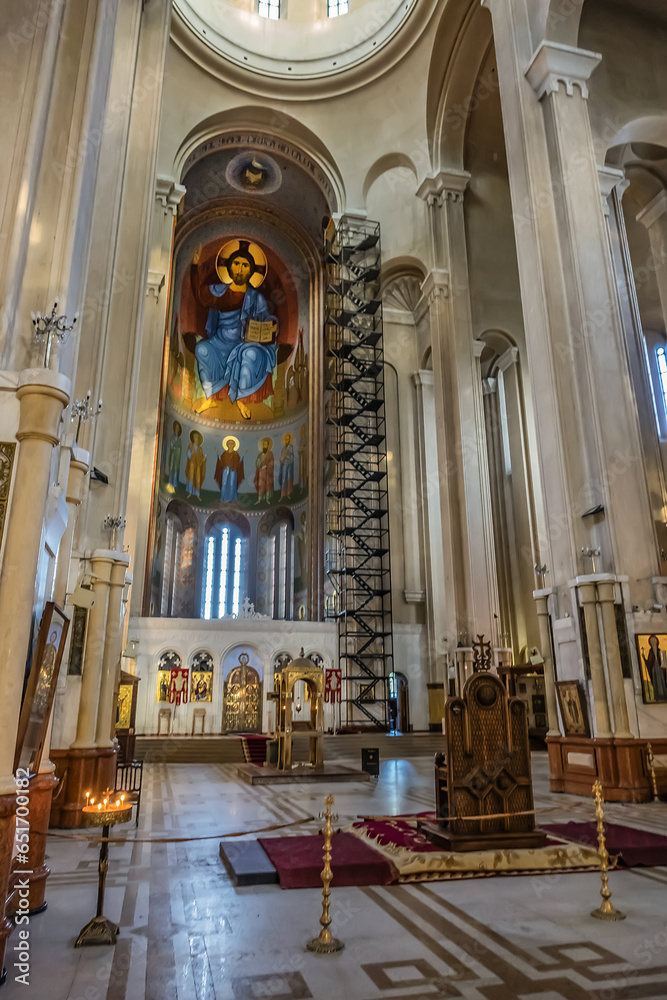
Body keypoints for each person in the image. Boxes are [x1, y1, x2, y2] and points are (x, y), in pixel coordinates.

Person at [191, 240, 278, 419]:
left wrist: (270, 325)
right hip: (220, 341)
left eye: (245, 265)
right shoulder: (218, 291)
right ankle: (210, 396)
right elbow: (200, 297)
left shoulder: (256, 297)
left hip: (245, 342)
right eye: (236, 264)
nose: (240, 269)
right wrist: (193, 266)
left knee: (250, 355)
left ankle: (241, 399)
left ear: (251, 270)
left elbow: (266, 319)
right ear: (229, 267)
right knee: (202, 349)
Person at [214, 436, 244, 502]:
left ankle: (231, 498)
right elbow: (221, 461)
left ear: (234, 445)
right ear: (227, 445)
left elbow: (238, 463)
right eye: (229, 443)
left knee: (232, 483)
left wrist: (241, 458)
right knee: (224, 483)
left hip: (233, 470)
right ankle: (223, 497)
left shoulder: (236, 454)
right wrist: (218, 455)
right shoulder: (225, 453)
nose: (230, 445)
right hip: (225, 470)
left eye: (232, 443)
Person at [643, 634, 667, 702]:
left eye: (654, 640)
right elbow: (649, 662)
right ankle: (658, 696)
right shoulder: (650, 651)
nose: (653, 641)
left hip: (660, 669)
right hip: (654, 669)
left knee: (662, 682)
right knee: (656, 682)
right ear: (650, 643)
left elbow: (663, 661)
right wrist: (645, 660)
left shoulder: (659, 650)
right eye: (652, 640)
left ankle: (664, 695)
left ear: (657, 641)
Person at [185, 430, 206, 499]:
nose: (196, 438)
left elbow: (201, 457)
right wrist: (191, 453)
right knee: (191, 478)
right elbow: (189, 455)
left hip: (198, 466)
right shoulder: (190, 446)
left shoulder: (200, 448)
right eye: (194, 437)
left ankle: (197, 494)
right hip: (192, 465)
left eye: (197, 437)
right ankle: (190, 492)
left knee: (197, 479)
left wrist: (204, 458)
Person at [254, 438, 274, 505]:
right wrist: (258, 464)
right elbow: (257, 462)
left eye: (266, 444)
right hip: (261, 472)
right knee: (261, 484)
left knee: (267, 485)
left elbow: (272, 462)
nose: (264, 445)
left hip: (268, 472)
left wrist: (266, 466)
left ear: (268, 445)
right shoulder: (260, 454)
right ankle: (259, 499)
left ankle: (267, 499)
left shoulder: (270, 454)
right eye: (263, 444)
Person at [166, 420, 182, 491]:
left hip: (177, 457)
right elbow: (171, 445)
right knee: (171, 468)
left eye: (177, 429)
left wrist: (177, 449)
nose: (176, 430)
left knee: (176, 469)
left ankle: (175, 483)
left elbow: (180, 449)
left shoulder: (179, 440)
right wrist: (174, 446)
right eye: (175, 428)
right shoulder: (173, 437)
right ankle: (170, 482)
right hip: (173, 456)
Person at [278, 432, 294, 499]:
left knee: (288, 478)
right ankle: (282, 494)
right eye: (286, 439)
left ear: (289, 440)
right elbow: (281, 457)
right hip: (284, 465)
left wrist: (286, 456)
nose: (287, 441)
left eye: (288, 439)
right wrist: (282, 457)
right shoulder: (283, 449)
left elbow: (292, 455)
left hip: (289, 465)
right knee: (283, 478)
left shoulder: (291, 447)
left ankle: (287, 493)